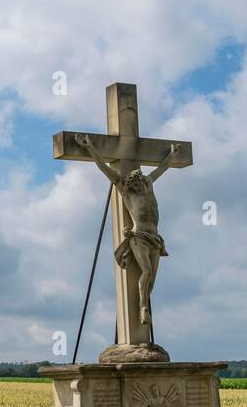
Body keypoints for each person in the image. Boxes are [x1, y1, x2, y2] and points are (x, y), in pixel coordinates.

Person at [74, 134, 183, 325]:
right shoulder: (126, 189)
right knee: (147, 270)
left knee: (152, 279)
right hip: (138, 237)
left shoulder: (148, 185)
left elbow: (162, 169)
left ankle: (144, 302)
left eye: (143, 181)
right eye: (139, 182)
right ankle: (143, 307)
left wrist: (172, 155)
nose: (142, 184)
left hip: (155, 239)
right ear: (132, 183)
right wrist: (90, 147)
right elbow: (104, 168)